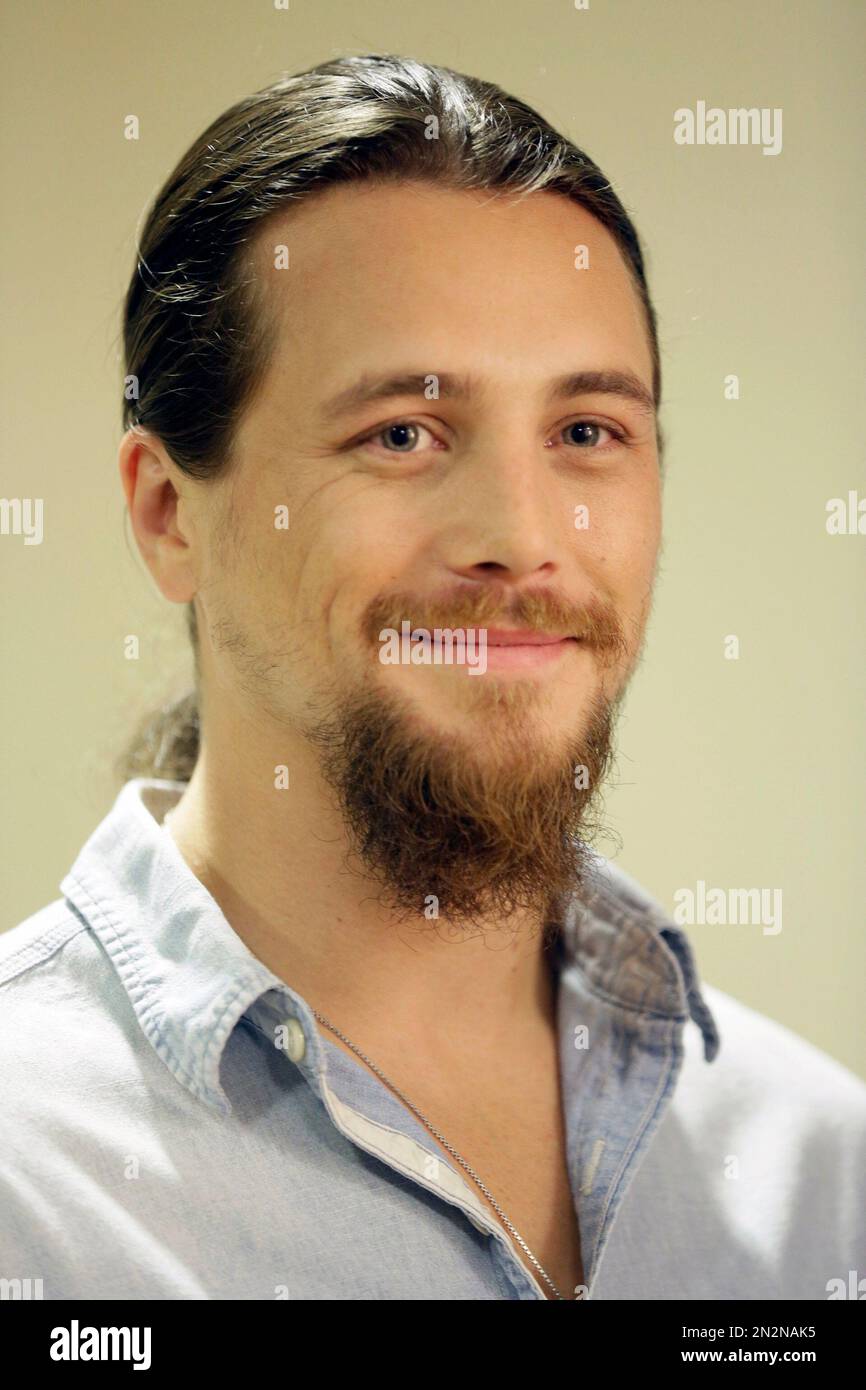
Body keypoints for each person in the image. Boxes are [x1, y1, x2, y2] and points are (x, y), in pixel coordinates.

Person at [1, 53, 863, 1303]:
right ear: (167, 514)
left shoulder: (820, 1182)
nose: (521, 533)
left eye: (585, 433)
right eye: (401, 433)